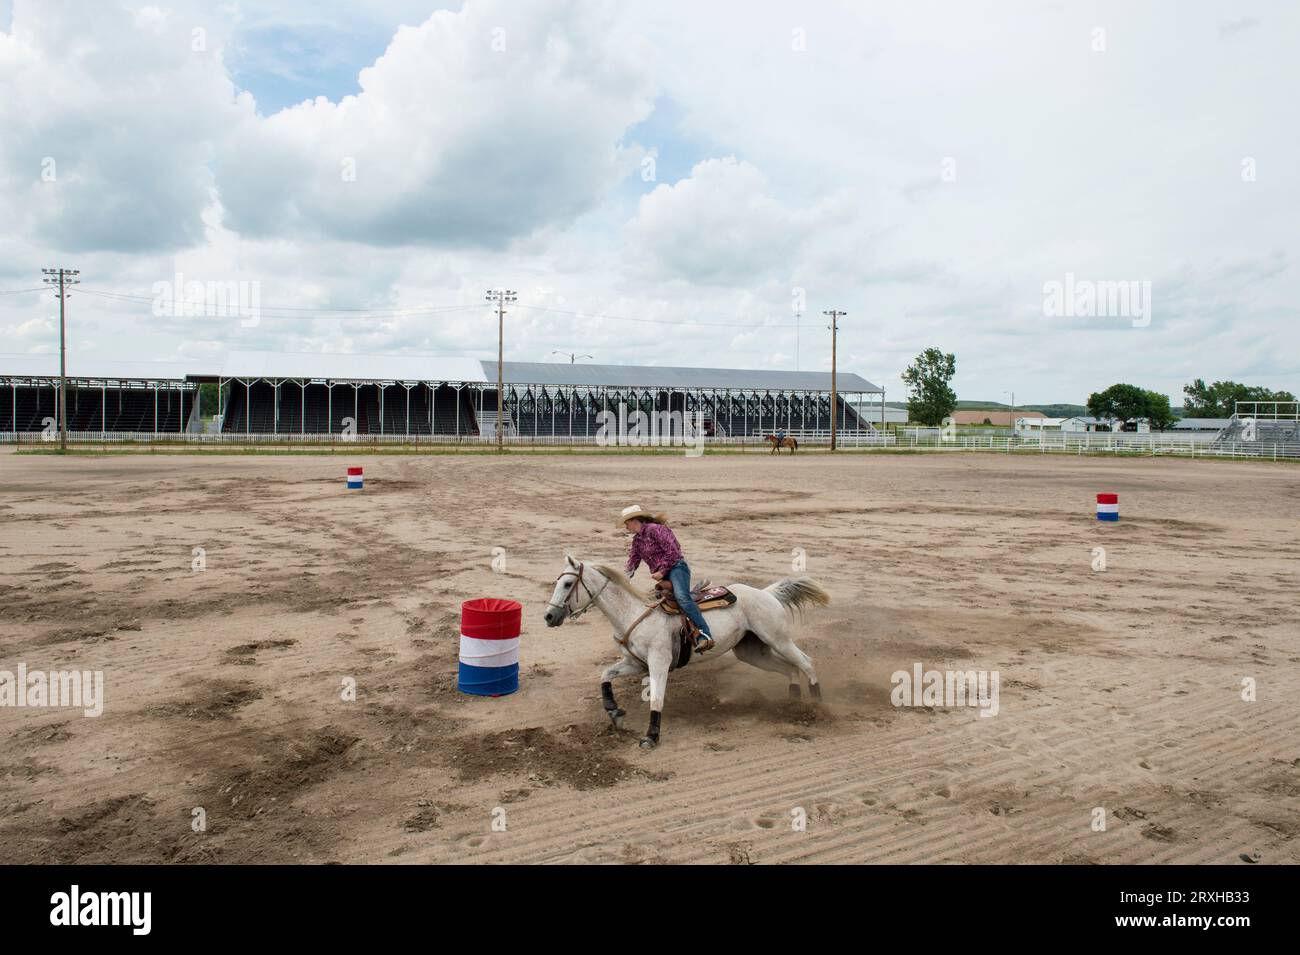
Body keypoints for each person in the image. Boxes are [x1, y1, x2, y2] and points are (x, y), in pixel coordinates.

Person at [618, 504, 714, 653]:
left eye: (626, 523)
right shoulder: (637, 540)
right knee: (652, 602)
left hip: (677, 568)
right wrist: (623, 579)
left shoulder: (656, 529)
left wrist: (662, 572)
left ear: (634, 520)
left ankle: (704, 634)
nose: (625, 527)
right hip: (663, 575)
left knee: (682, 597)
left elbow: (673, 552)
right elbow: (633, 561)